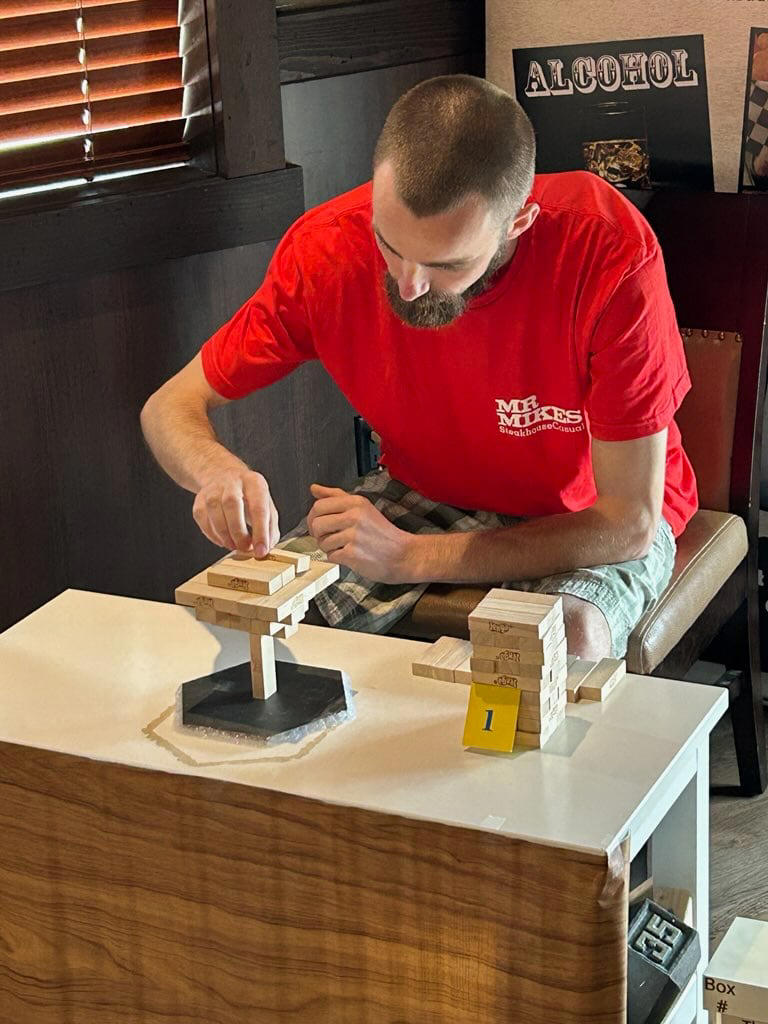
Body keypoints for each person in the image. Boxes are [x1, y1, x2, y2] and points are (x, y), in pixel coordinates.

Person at [140, 75, 697, 660]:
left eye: (446, 262)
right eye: (388, 242)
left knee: (560, 645)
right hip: (428, 493)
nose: (408, 286)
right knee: (240, 625)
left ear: (518, 224)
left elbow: (629, 521)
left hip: (587, 514)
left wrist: (410, 557)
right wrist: (215, 473)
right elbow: (168, 407)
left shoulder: (607, 252)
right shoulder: (325, 252)